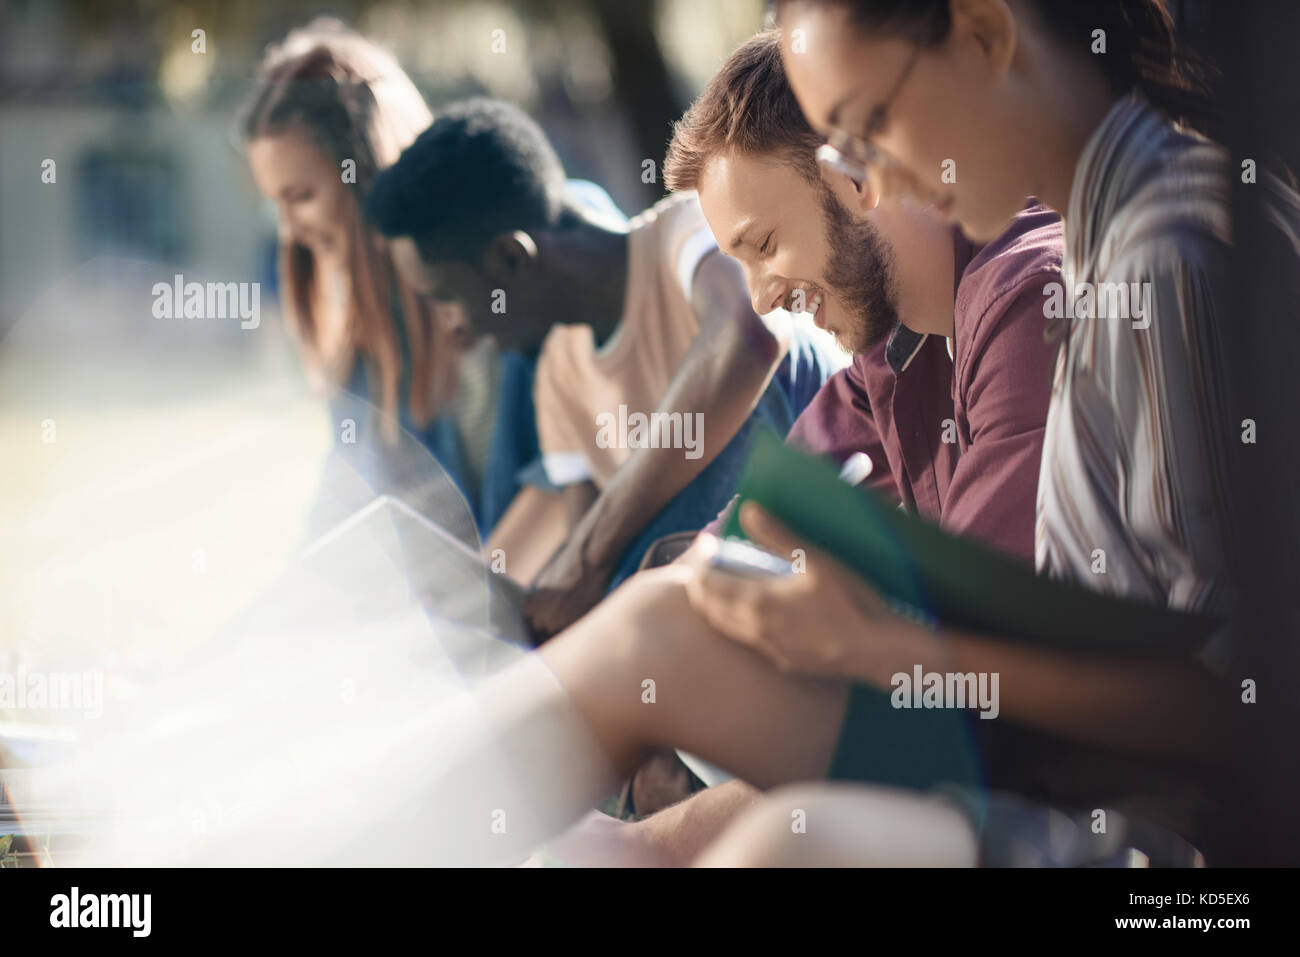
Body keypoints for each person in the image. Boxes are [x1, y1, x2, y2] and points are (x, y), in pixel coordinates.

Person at [365, 97, 846, 635]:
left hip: (827, 525)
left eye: (447, 297)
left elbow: (751, 335)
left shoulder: (685, 230)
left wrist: (592, 554)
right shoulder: (557, 377)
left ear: (510, 258)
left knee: (755, 370)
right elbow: (588, 565)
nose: (452, 330)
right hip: (712, 611)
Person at [241, 20, 560, 540]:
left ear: (367, 172)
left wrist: (485, 600)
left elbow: (568, 482)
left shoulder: (507, 283)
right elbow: (342, 518)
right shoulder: (370, 352)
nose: (289, 230)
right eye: (274, 203)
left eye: (301, 196)